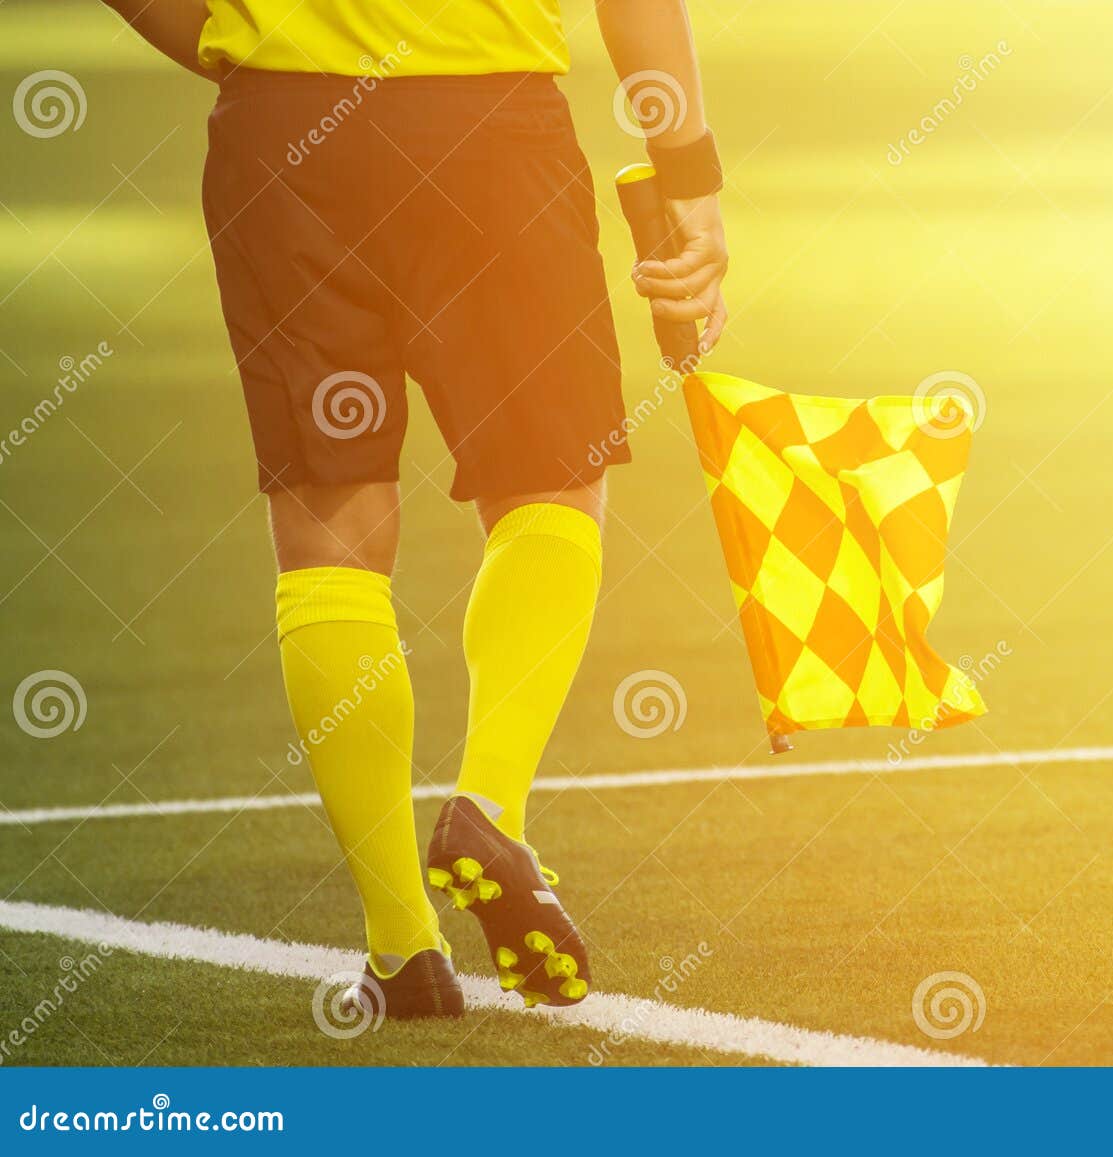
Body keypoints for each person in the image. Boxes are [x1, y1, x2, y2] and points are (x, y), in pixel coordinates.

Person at [100, 0, 730, 1017]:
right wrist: (689, 174)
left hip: (287, 137)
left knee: (331, 537)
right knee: (549, 482)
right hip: (489, 125)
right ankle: (490, 806)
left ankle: (403, 946)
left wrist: (241, 43)